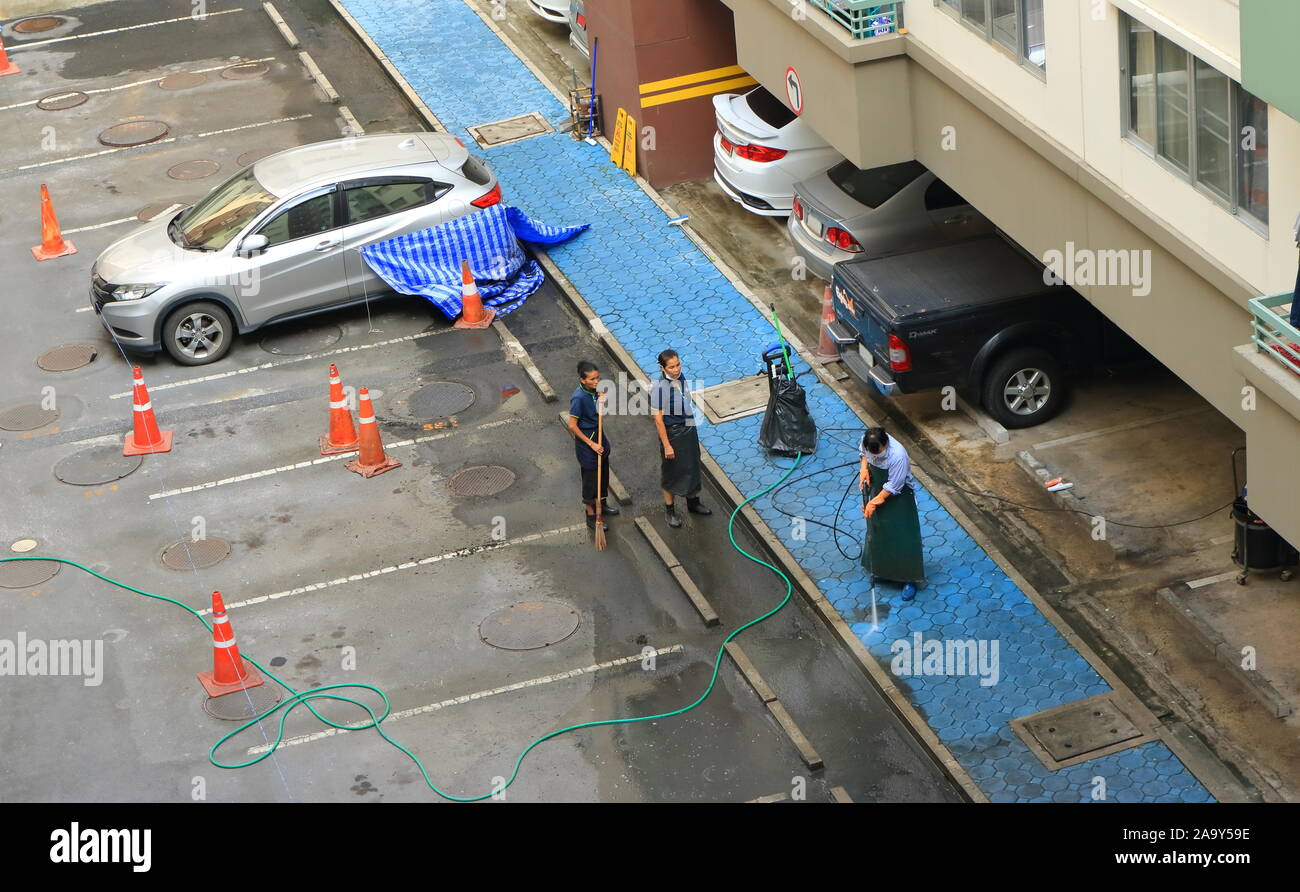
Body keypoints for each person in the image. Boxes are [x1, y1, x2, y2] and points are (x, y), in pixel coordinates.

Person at [859, 426, 924, 601]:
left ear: (885, 443)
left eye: (879, 453)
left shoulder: (898, 455)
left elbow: (894, 485)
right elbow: (863, 454)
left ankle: (909, 579)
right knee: (879, 532)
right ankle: (882, 570)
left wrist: (874, 502)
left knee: (903, 537)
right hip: (876, 488)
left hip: (899, 498)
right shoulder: (867, 441)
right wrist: (864, 468)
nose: (877, 457)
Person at [650, 349, 711, 529]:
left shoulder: (681, 377)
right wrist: (667, 445)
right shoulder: (659, 389)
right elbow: (658, 420)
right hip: (673, 433)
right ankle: (670, 511)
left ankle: (693, 503)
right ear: (662, 368)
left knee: (692, 464)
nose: (676, 369)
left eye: (678, 365)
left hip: (688, 428)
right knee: (672, 471)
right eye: (671, 367)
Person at [567, 360, 620, 530]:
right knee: (591, 481)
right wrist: (591, 444)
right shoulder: (578, 398)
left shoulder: (595, 391)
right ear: (583, 380)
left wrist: (602, 402)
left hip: (600, 440)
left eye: (598, 378)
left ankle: (602, 505)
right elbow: (572, 426)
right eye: (592, 379)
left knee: (603, 475)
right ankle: (591, 515)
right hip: (588, 445)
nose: (596, 381)